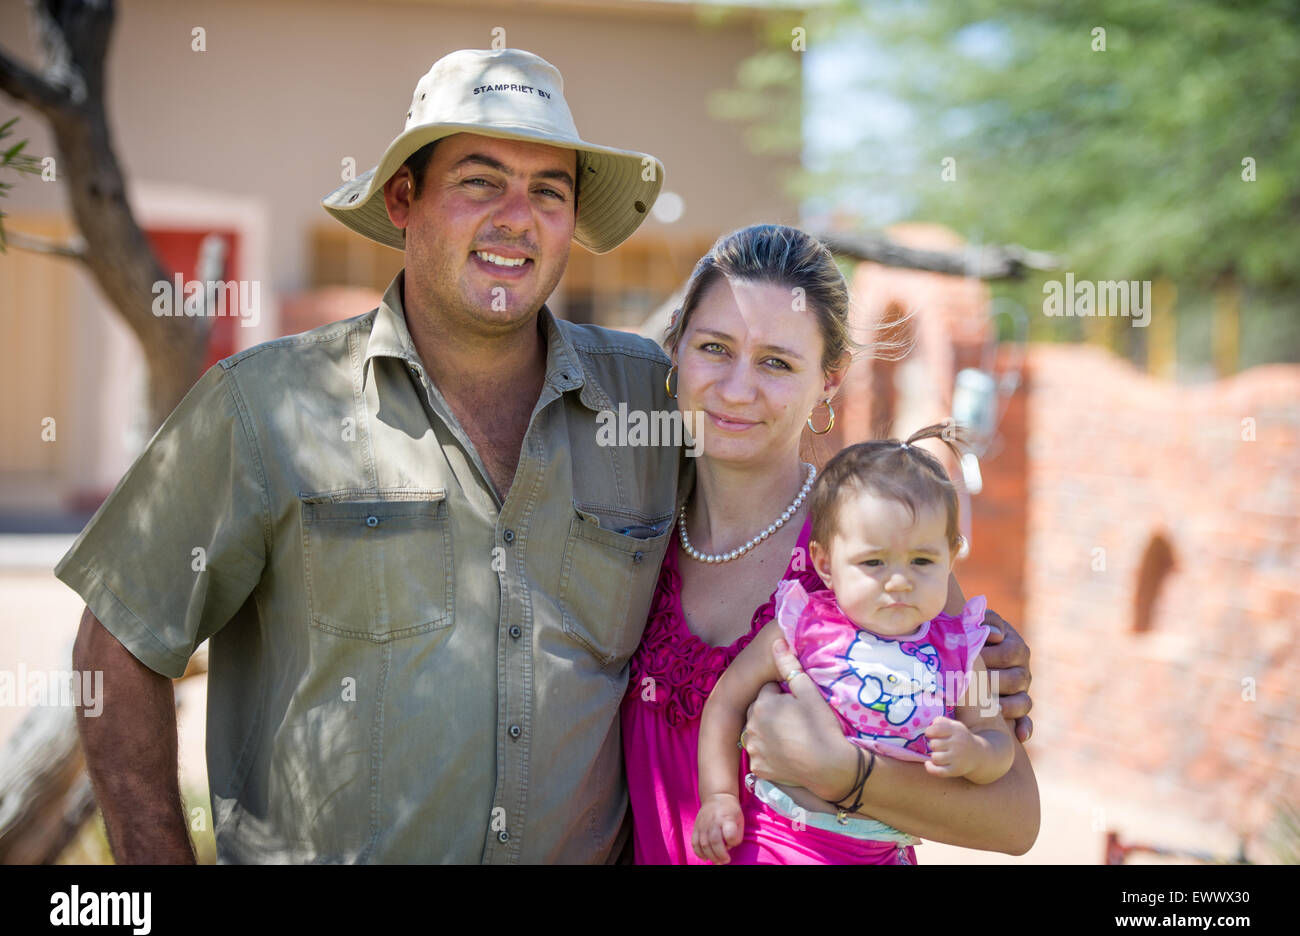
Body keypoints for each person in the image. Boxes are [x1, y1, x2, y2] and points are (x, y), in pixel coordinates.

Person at [57, 49, 1032, 864]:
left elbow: (782, 478)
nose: (516, 218)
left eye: (548, 192)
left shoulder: (643, 405)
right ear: (404, 196)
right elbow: (119, 641)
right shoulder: (268, 407)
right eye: (480, 181)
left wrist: (952, 639)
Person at [621, 225, 1039, 865]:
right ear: (677, 344)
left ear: (830, 380)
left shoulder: (877, 558)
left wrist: (846, 772)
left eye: (777, 362)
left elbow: (1014, 822)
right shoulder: (625, 529)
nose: (737, 389)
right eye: (714, 347)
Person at [693, 425, 1024, 864]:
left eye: (922, 560)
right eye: (874, 562)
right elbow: (725, 702)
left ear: (950, 556)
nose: (900, 581)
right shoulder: (801, 627)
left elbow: (997, 745)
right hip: (780, 841)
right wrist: (718, 796)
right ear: (825, 565)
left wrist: (974, 754)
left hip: (884, 852)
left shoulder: (960, 655)